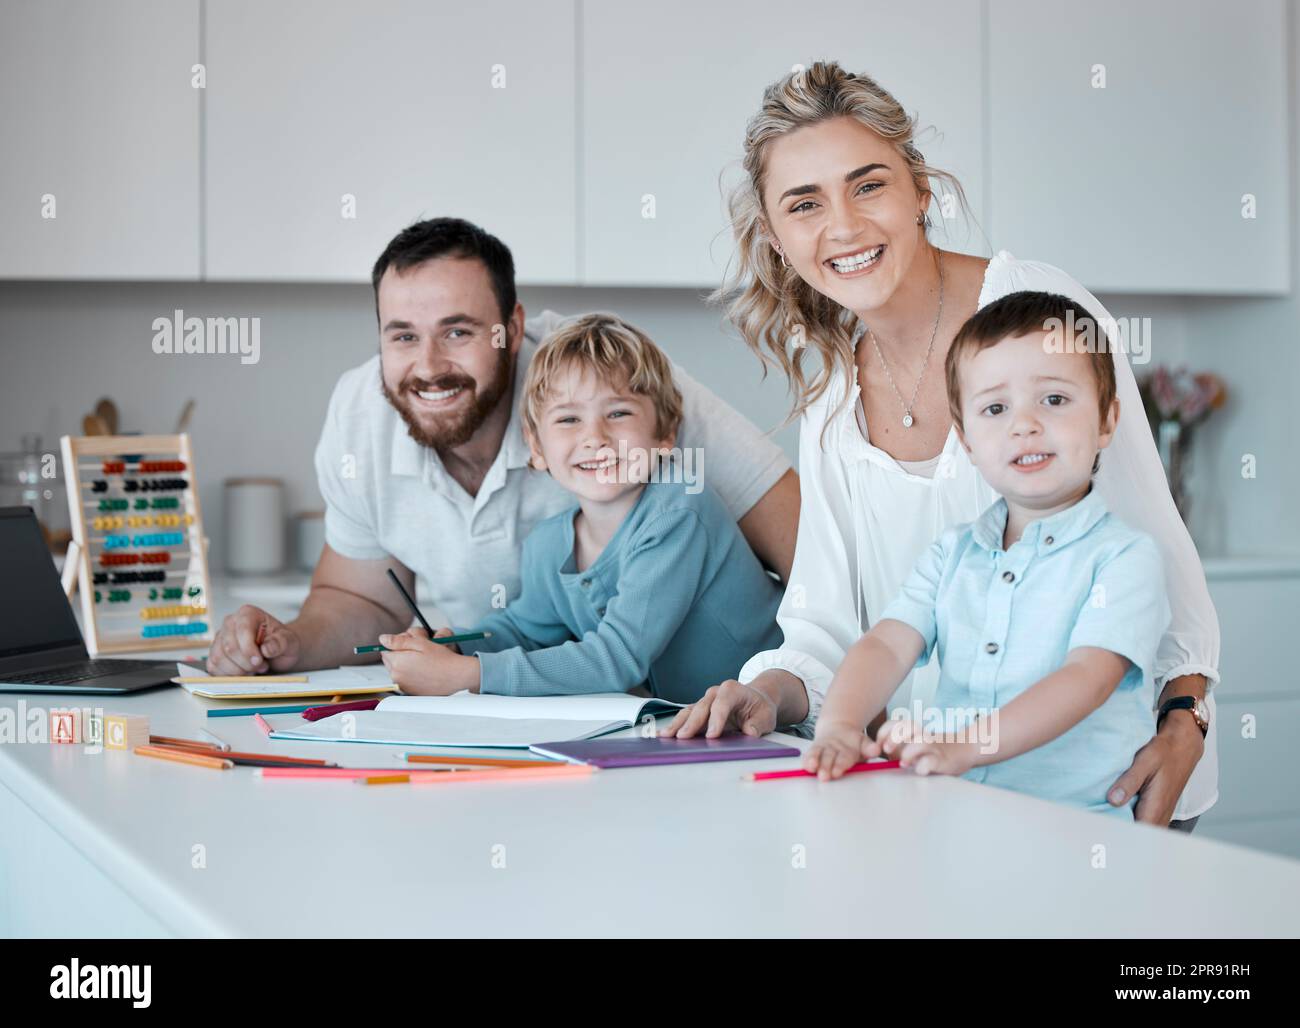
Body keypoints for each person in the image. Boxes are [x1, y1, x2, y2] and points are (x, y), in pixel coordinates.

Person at [664, 62, 1218, 830]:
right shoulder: (833, 402)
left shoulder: (1032, 311)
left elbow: (1155, 542)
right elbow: (830, 628)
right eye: (805, 204)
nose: (846, 227)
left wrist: (1187, 717)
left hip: (1110, 788)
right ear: (776, 236)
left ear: (921, 191)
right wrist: (769, 692)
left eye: (869, 185)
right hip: (944, 797)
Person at [206, 218, 799, 681]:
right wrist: (289, 644)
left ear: (511, 330)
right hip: (620, 717)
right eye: (403, 336)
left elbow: (801, 539)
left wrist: (847, 689)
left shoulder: (602, 375)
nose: (430, 366)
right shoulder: (364, 415)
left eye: (458, 331)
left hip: (747, 710)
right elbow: (365, 598)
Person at [805, 291, 1169, 818]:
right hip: (962, 812)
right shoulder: (952, 555)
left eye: (1054, 400)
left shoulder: (1124, 558)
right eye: (995, 409)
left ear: (1107, 421)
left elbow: (1086, 678)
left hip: (1078, 830)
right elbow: (886, 645)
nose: (1024, 425)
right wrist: (840, 724)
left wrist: (966, 747)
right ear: (967, 442)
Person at [377, 313, 783, 701]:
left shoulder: (678, 510)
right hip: (695, 730)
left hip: (778, 725)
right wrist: (453, 646)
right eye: (569, 419)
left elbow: (618, 657)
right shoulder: (549, 543)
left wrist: (468, 677)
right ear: (537, 448)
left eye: (618, 413)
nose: (595, 437)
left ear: (665, 435)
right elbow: (524, 629)